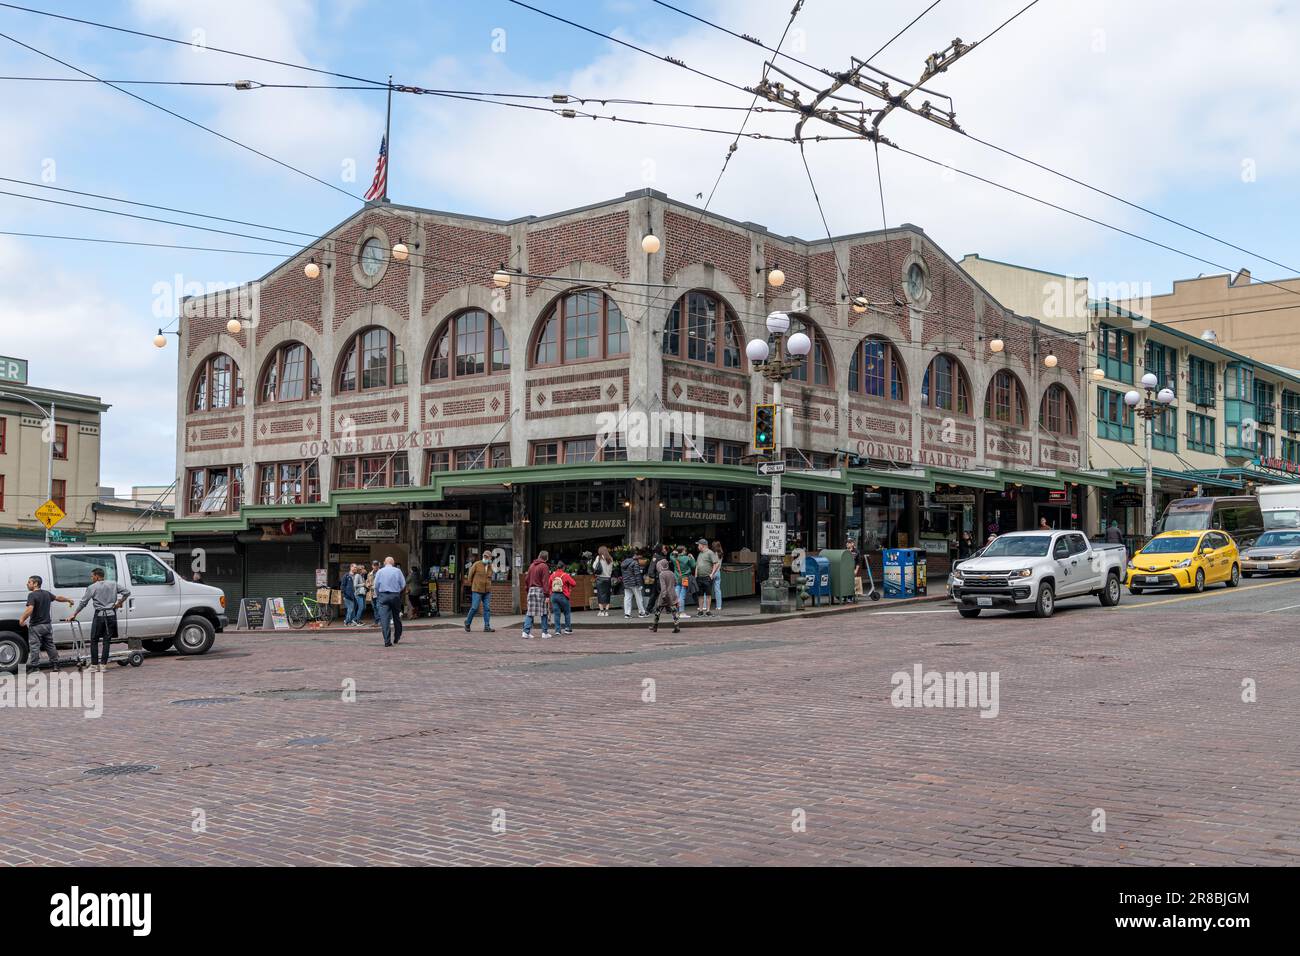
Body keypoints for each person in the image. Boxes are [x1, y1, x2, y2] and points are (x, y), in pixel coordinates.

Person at [68, 567, 130, 672]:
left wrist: (74, 614)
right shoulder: (113, 584)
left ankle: (94, 665)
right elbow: (127, 592)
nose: (91, 578)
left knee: (94, 640)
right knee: (107, 641)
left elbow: (83, 603)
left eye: (92, 576)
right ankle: (103, 666)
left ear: (97, 576)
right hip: (111, 615)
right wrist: (119, 602)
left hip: (100, 616)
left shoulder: (92, 587)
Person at [18, 575, 73, 669]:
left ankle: (35, 667)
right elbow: (58, 598)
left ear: (35, 584)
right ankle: (55, 665)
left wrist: (22, 619)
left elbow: (30, 608)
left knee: (34, 647)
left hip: (36, 626)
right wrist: (68, 599)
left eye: (29, 582)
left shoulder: (32, 595)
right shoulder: (46, 593)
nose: (27, 584)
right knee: (50, 645)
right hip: (47, 625)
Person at [372, 557, 406, 647]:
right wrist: (398, 592)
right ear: (393, 562)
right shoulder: (397, 571)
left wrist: (379, 595)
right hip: (395, 595)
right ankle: (397, 637)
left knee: (384, 619)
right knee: (396, 618)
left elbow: (375, 586)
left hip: (383, 596)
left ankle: (387, 641)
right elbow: (403, 584)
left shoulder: (380, 571)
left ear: (384, 563)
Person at [522, 550, 552, 640]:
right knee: (544, 612)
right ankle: (544, 632)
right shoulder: (544, 566)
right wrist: (547, 595)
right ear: (546, 558)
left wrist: (527, 589)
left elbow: (527, 579)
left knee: (530, 612)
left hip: (531, 590)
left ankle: (525, 632)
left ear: (539, 556)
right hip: (540, 590)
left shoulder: (531, 566)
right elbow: (545, 581)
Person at [463, 552, 495, 633]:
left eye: (488, 557)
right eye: (484, 556)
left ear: (490, 558)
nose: (486, 558)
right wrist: (471, 584)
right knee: (474, 607)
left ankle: (487, 626)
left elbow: (490, 577)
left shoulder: (490, 566)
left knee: (487, 608)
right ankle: (467, 622)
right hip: (477, 589)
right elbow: (470, 574)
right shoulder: (477, 564)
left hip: (487, 590)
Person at [650, 557, 680, 634]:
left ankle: (655, 626)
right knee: (674, 610)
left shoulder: (661, 574)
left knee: (658, 610)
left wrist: (663, 595)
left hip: (665, 595)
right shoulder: (671, 573)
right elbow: (676, 583)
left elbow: (663, 587)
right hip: (672, 594)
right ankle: (676, 626)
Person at [548, 562, 577, 635]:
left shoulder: (552, 575)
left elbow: (549, 585)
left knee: (556, 613)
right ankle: (567, 629)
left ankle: (557, 630)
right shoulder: (565, 575)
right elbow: (574, 583)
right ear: (563, 567)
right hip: (563, 595)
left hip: (554, 596)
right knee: (567, 612)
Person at [694, 538, 720, 617]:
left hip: (707, 577)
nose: (698, 546)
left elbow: (716, 563)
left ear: (703, 545)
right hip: (699, 577)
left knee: (708, 594)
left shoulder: (710, 553)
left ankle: (708, 610)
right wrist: (696, 574)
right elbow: (697, 565)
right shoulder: (700, 554)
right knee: (700, 595)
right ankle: (701, 610)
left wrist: (712, 574)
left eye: (698, 545)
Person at [670, 545, 695, 619]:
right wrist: (692, 558)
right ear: (683, 551)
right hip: (685, 578)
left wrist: (672, 553)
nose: (686, 551)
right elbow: (693, 565)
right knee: (682, 596)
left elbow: (670, 556)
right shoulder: (687, 558)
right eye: (685, 550)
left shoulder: (674, 558)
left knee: (677, 596)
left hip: (677, 578)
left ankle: (675, 612)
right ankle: (682, 612)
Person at [621, 550, 647, 619]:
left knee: (627, 598)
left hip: (626, 583)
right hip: (634, 583)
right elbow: (637, 575)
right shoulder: (634, 563)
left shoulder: (623, 563)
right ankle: (642, 612)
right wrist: (640, 584)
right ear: (633, 555)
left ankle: (627, 614)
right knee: (639, 598)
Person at [592, 546, 615, 617]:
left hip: (600, 579)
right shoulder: (610, 558)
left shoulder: (598, 558)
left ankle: (601, 611)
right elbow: (611, 569)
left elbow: (594, 566)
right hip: (608, 578)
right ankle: (606, 612)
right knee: (607, 594)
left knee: (600, 595)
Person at [711, 540, 725, 612]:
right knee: (717, 590)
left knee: (706, 589)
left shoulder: (713, 554)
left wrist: (711, 573)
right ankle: (719, 606)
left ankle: (704, 606)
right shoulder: (721, 553)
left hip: (712, 572)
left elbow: (714, 564)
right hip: (718, 572)